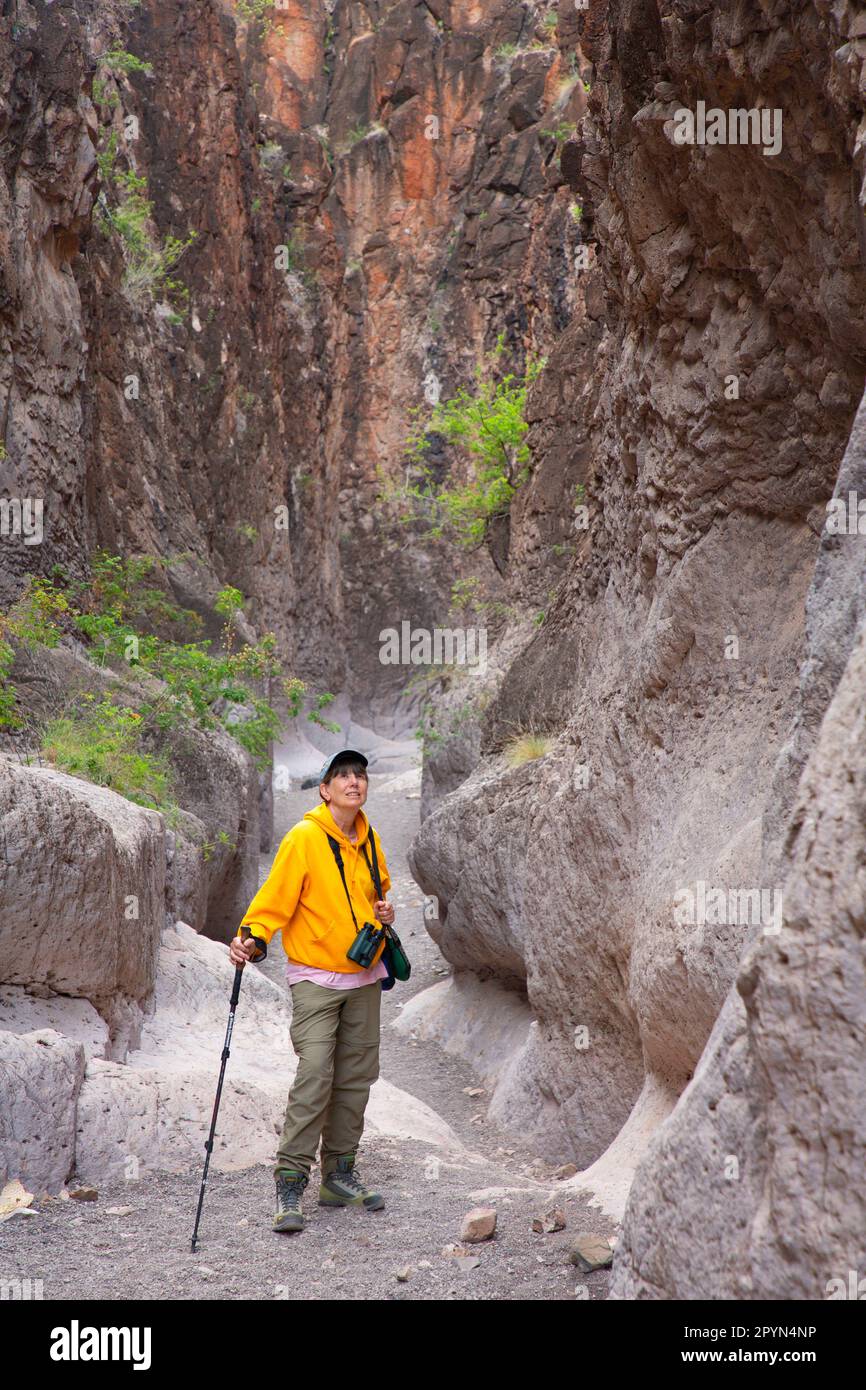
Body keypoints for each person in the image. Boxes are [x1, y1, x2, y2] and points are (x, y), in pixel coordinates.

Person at [229, 749, 395, 1234]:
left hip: (365, 978)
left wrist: (385, 913)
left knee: (355, 1076)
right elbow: (273, 899)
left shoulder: (369, 838)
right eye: (342, 776)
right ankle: (289, 1183)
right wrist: (252, 938)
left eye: (360, 775)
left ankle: (339, 1175)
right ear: (324, 789)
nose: (353, 782)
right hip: (316, 980)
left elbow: (380, 890)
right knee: (316, 1073)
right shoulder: (303, 837)